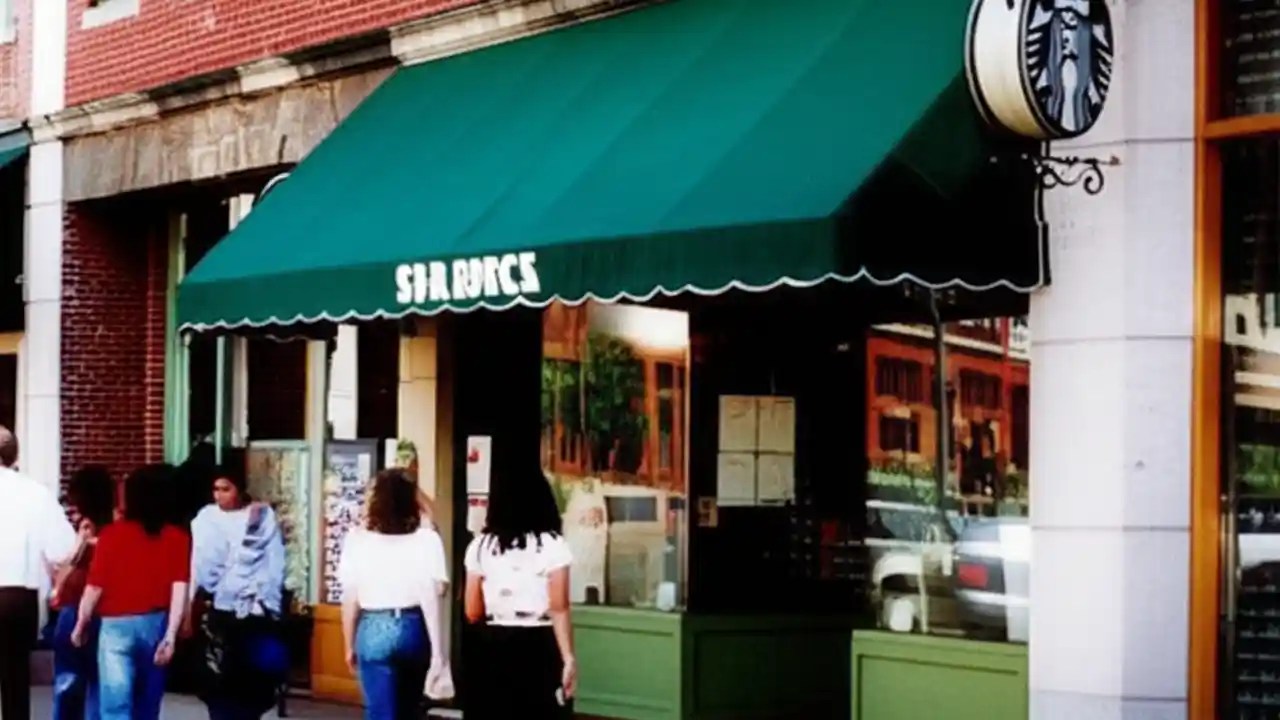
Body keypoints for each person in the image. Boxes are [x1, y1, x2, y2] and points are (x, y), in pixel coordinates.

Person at [73, 463, 191, 720]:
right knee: (147, 705)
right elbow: (179, 587)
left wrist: (81, 623)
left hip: (115, 624)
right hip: (156, 621)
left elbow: (95, 586)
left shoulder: (112, 535)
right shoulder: (177, 537)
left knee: (115, 705)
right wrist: (171, 634)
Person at [463, 456, 576, 718]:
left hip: (493, 643)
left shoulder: (480, 547)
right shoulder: (553, 545)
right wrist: (568, 657)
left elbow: (472, 611)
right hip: (538, 643)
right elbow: (559, 608)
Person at [339, 468, 448, 720]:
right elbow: (440, 589)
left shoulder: (356, 540)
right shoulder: (427, 539)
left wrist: (348, 644)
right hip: (413, 625)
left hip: (373, 625)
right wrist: (419, 497)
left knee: (380, 711)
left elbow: (350, 599)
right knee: (409, 710)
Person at [189, 462, 287, 720]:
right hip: (223, 612)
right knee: (221, 684)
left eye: (226, 488)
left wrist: (267, 598)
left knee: (252, 688)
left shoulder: (262, 517)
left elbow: (274, 562)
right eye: (215, 489)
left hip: (255, 612)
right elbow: (202, 567)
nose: (219, 495)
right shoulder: (207, 518)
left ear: (240, 489)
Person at [0, 426, 78, 720]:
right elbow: (62, 550)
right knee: (15, 677)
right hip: (20, 594)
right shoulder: (36, 493)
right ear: (14, 454)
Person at [50, 465, 116, 720]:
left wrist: (79, 548)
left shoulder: (88, 529)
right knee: (100, 684)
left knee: (69, 684)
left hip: (76, 609)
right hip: (108, 613)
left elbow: (62, 578)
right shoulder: (115, 528)